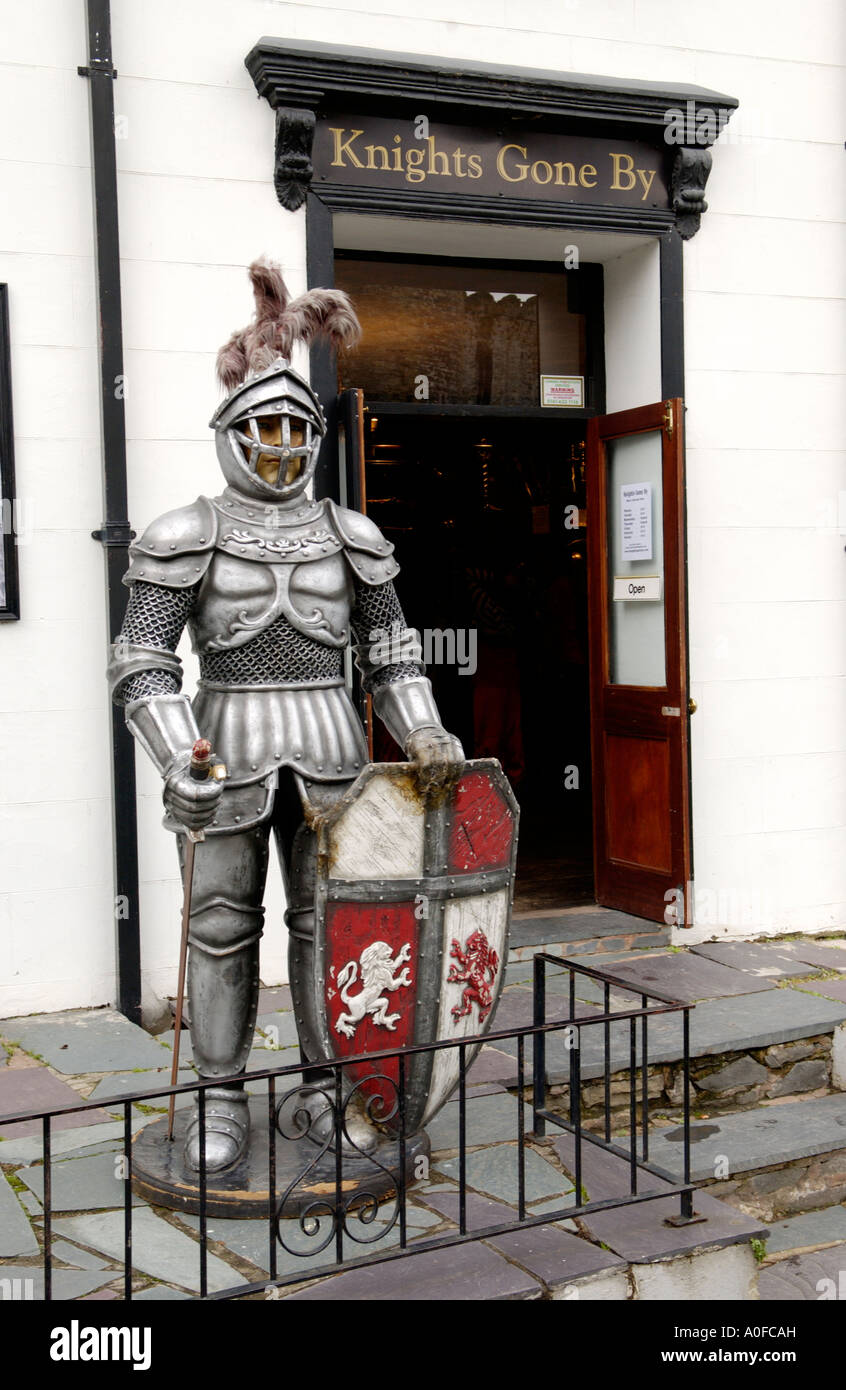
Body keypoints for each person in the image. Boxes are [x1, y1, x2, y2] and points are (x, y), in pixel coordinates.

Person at [108, 261, 463, 1172]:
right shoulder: (186, 532)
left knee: (330, 924)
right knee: (221, 927)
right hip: (222, 744)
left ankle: (325, 1083)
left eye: (296, 429)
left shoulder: (353, 534)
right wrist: (171, 755)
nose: (280, 443)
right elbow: (142, 659)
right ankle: (216, 1100)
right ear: (231, 433)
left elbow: (390, 651)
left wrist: (422, 730)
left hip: (337, 756)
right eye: (264, 427)